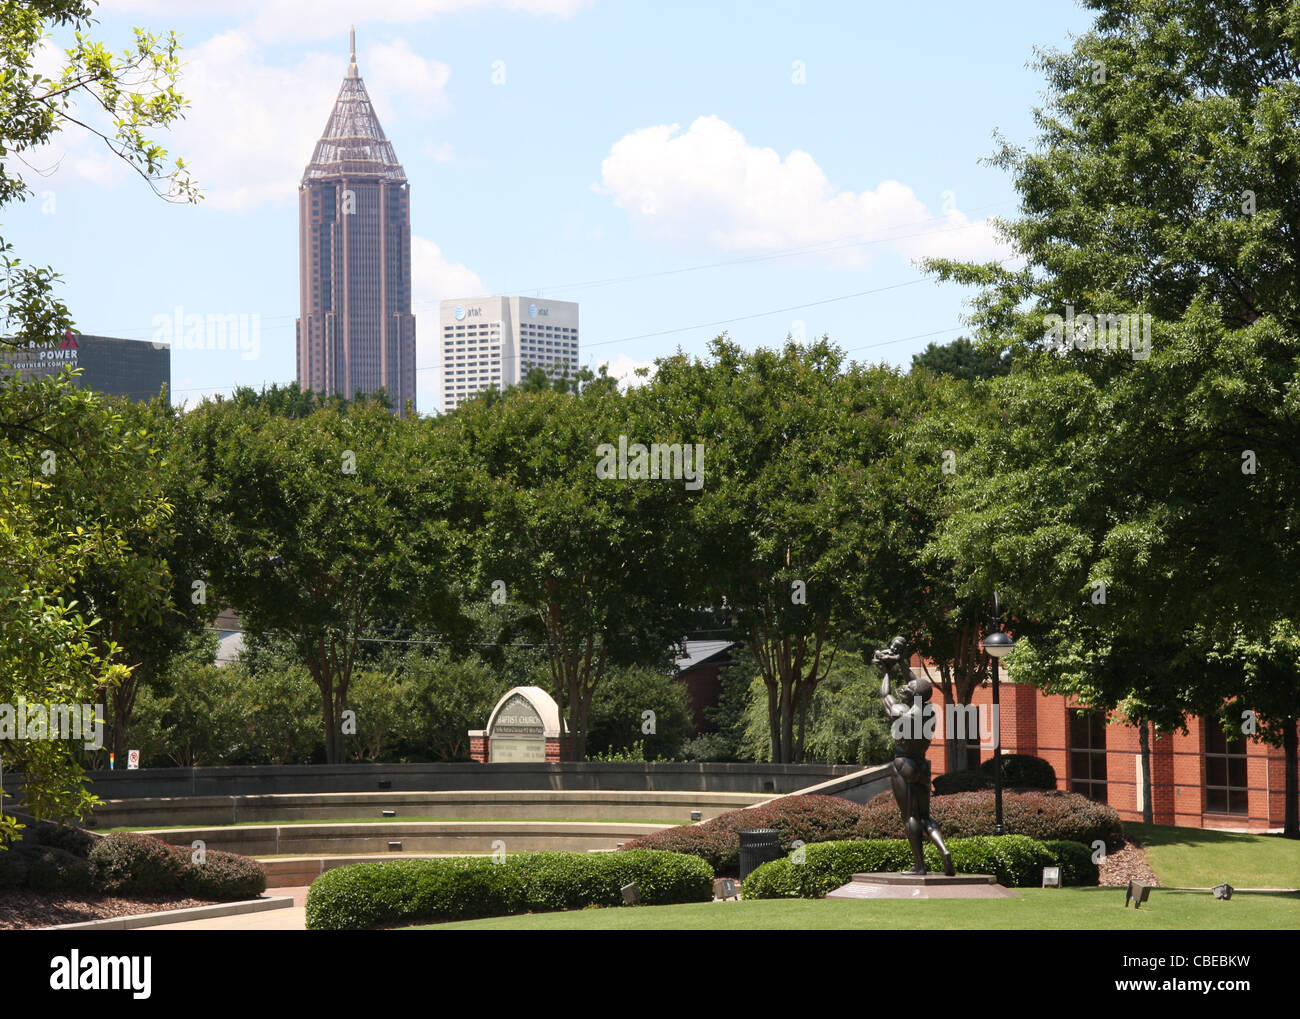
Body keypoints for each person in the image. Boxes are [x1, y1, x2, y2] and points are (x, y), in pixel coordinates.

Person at [875, 636, 955, 876]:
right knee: (926, 816)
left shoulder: (902, 713)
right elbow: (919, 687)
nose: (905, 688)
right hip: (923, 764)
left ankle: (919, 866)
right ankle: (943, 849)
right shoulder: (929, 711)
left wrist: (886, 672)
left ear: (911, 696)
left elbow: (885, 696)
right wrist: (901, 663)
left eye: (907, 689)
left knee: (910, 816)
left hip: (904, 764)